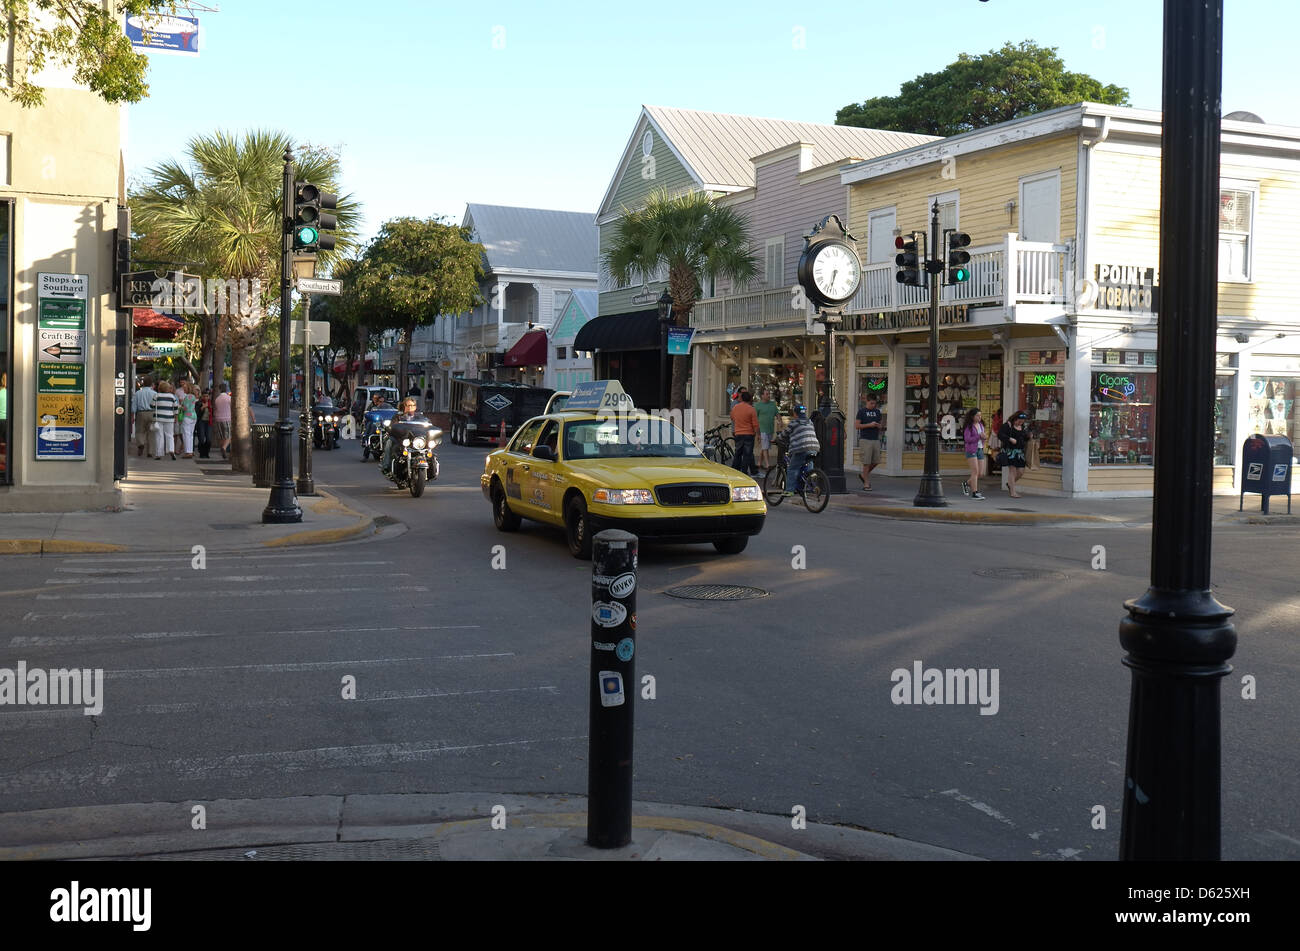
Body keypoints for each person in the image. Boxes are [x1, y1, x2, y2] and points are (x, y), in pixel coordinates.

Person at [782, 404, 821, 497]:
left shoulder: (794, 422)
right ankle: (811, 474)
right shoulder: (810, 422)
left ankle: (789, 490)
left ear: (795, 414)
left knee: (792, 468)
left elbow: (785, 434)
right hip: (815, 447)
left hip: (801, 448)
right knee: (809, 459)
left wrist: (777, 439)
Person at [381, 397, 426, 475]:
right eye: (408, 405)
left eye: (412, 405)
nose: (410, 407)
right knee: (389, 442)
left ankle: (431, 465)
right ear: (404, 406)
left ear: (415, 407)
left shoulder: (420, 417)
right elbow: (392, 427)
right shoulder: (398, 416)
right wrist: (391, 428)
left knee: (429, 448)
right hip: (401, 439)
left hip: (414, 440)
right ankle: (386, 466)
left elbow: (427, 426)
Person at [998, 410, 1030, 498]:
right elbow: (1000, 435)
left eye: (1022, 421)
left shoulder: (1023, 427)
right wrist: (1009, 439)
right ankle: (1013, 492)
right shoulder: (1008, 426)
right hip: (1010, 452)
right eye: (1019, 421)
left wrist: (1029, 437)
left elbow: (1024, 438)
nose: (1020, 423)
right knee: (1012, 471)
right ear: (1015, 419)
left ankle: (1010, 484)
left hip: (1020, 452)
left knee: (1021, 472)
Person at [855, 394, 883, 490]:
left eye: (874, 403)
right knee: (866, 462)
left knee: (876, 461)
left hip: (875, 439)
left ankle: (863, 475)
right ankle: (866, 483)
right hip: (865, 439)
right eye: (871, 403)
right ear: (867, 402)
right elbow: (857, 426)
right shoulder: (861, 412)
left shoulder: (877, 412)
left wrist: (879, 426)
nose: (873, 405)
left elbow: (881, 424)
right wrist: (869, 425)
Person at [729, 388, 758, 476]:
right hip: (749, 434)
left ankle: (735, 471)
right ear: (749, 399)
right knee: (747, 454)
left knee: (738, 453)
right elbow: (755, 424)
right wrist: (758, 434)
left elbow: (732, 418)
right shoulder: (751, 409)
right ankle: (744, 472)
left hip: (738, 433)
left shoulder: (735, 408)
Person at [961, 407, 987, 500]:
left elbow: (982, 436)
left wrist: (984, 437)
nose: (980, 417)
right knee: (975, 471)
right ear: (972, 416)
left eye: (980, 415)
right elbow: (967, 439)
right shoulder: (969, 426)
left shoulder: (981, 425)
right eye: (977, 415)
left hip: (980, 449)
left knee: (980, 473)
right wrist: (979, 436)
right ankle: (975, 492)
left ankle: (966, 483)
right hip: (971, 450)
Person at [754, 387, 779, 476]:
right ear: (762, 396)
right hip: (762, 429)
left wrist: (780, 421)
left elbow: (777, 414)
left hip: (770, 429)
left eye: (769, 394)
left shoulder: (772, 404)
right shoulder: (758, 406)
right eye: (767, 394)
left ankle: (759, 463)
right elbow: (755, 419)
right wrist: (757, 433)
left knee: (765, 446)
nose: (768, 395)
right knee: (765, 447)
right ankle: (768, 465)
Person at [152, 381, 178, 460]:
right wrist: (175, 417)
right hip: (169, 418)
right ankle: (171, 450)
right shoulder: (172, 397)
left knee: (159, 435)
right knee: (170, 435)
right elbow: (176, 408)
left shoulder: (156, 395)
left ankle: (159, 454)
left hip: (158, 418)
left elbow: (152, 405)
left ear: (159, 388)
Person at [133, 375, 157, 457]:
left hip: (141, 413)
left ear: (143, 383)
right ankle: (150, 452)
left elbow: (134, 406)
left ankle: (141, 443)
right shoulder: (155, 393)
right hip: (152, 413)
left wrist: (133, 415)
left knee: (140, 431)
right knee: (151, 433)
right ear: (151, 384)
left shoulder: (138, 393)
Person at [178, 381, 198, 458]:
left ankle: (188, 452)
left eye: (184, 388)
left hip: (187, 417)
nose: (183, 390)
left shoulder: (188, 396)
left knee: (186, 434)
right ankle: (190, 450)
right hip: (193, 416)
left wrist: (179, 406)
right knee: (190, 434)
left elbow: (185, 408)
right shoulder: (193, 396)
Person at [212, 382, 232, 459]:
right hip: (227, 418)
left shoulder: (217, 399)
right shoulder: (229, 398)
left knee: (222, 436)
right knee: (229, 435)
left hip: (218, 419)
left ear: (220, 389)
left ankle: (222, 448)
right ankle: (224, 447)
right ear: (226, 389)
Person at [195, 388, 212, 459]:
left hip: (208, 422)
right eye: (204, 396)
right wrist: (202, 408)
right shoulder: (198, 403)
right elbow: (196, 414)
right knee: (201, 438)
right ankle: (201, 453)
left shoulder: (211, 403)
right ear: (201, 396)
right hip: (201, 422)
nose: (206, 398)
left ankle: (206, 452)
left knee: (208, 439)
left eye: (207, 396)